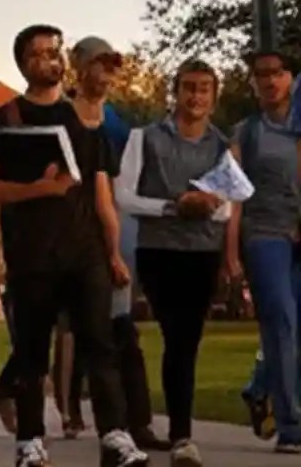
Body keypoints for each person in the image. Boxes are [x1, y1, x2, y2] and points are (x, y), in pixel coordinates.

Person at [0, 24, 147, 467]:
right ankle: (30, 442)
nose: (50, 59)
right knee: (33, 352)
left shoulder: (85, 121)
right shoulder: (6, 120)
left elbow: (102, 195)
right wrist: (39, 189)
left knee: (100, 345)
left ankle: (115, 438)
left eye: (55, 51)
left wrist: (112, 253)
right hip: (32, 253)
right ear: (23, 63)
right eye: (39, 53)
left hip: (84, 251)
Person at [114, 58, 232, 466]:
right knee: (176, 334)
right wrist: (172, 206)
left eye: (204, 88)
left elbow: (227, 208)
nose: (195, 96)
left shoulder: (222, 145)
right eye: (188, 87)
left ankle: (181, 434)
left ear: (214, 98)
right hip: (159, 249)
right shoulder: (143, 138)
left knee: (186, 340)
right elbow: (123, 196)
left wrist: (203, 206)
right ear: (175, 92)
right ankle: (181, 435)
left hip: (203, 251)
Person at [69, 39, 168, 451]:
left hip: (113, 224)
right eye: (99, 63)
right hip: (70, 229)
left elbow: (125, 177)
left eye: (112, 64)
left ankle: (134, 424)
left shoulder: (116, 123)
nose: (107, 71)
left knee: (119, 325)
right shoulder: (62, 115)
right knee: (76, 327)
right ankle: (67, 408)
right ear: (78, 67)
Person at [225, 49, 301, 453]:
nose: (270, 81)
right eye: (261, 75)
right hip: (265, 234)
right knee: (282, 324)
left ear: (291, 78)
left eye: (278, 73)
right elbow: (233, 196)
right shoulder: (246, 132)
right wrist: (232, 253)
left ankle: (259, 387)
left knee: (295, 328)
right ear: (253, 83)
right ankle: (291, 427)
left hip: (298, 233)